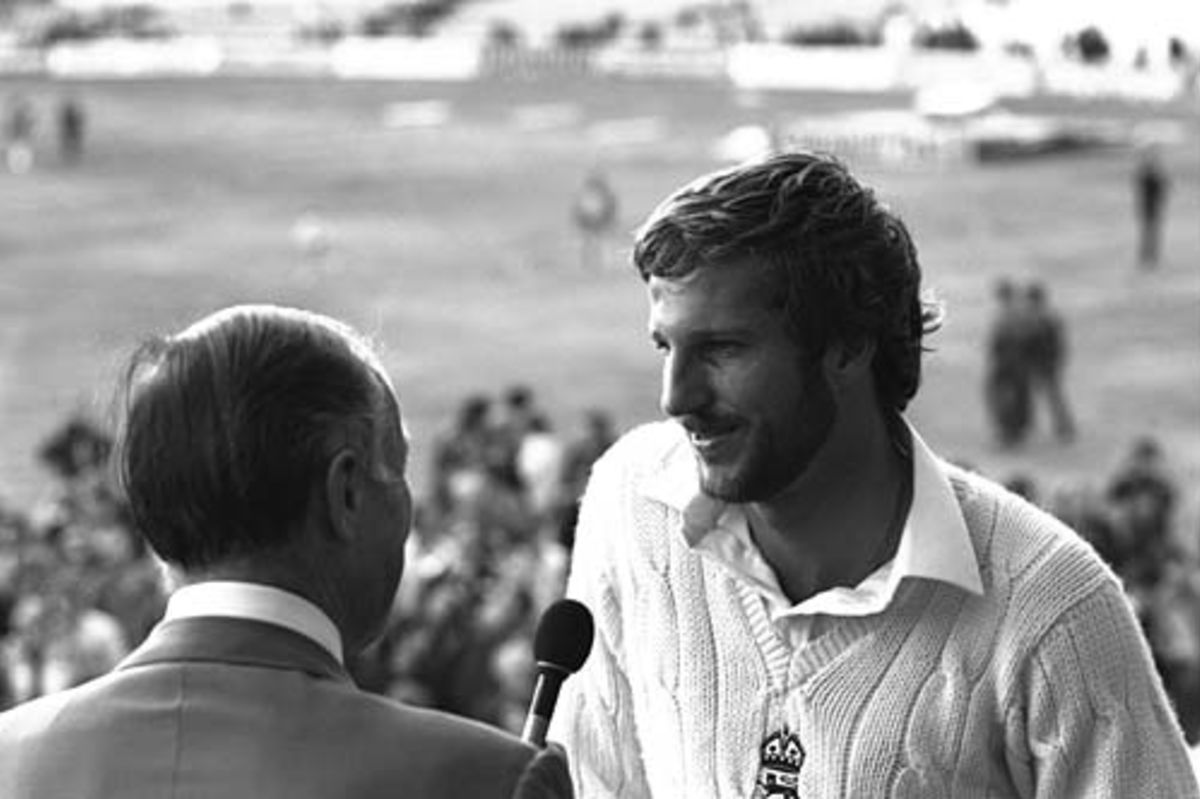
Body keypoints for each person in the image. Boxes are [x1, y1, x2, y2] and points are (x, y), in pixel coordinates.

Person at [551, 152, 1199, 797]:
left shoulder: (1053, 608)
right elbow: (596, 781)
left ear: (849, 343)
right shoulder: (630, 500)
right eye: (666, 346)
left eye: (723, 349)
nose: (675, 396)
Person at [0, 305, 573, 799]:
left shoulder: (14, 756)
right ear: (344, 491)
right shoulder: (485, 776)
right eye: (396, 471)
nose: (408, 508)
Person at [983, 277, 1032, 447]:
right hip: (1018, 362)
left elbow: (1001, 341)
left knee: (1004, 397)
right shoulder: (1019, 312)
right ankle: (1014, 429)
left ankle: (1009, 430)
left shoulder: (1007, 315)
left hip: (1007, 362)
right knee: (1016, 396)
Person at [1024, 281, 1075, 442]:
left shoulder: (1044, 319)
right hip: (1040, 364)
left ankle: (1063, 427)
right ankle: (1060, 427)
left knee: (1052, 397)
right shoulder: (1042, 317)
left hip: (1044, 364)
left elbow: (1055, 345)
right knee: (1047, 397)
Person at [1133, 144, 1169, 268]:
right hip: (1150, 207)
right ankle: (1149, 258)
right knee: (1150, 234)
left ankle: (1148, 258)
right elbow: (1162, 187)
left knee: (1149, 234)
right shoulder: (1148, 175)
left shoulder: (1145, 174)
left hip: (1149, 207)